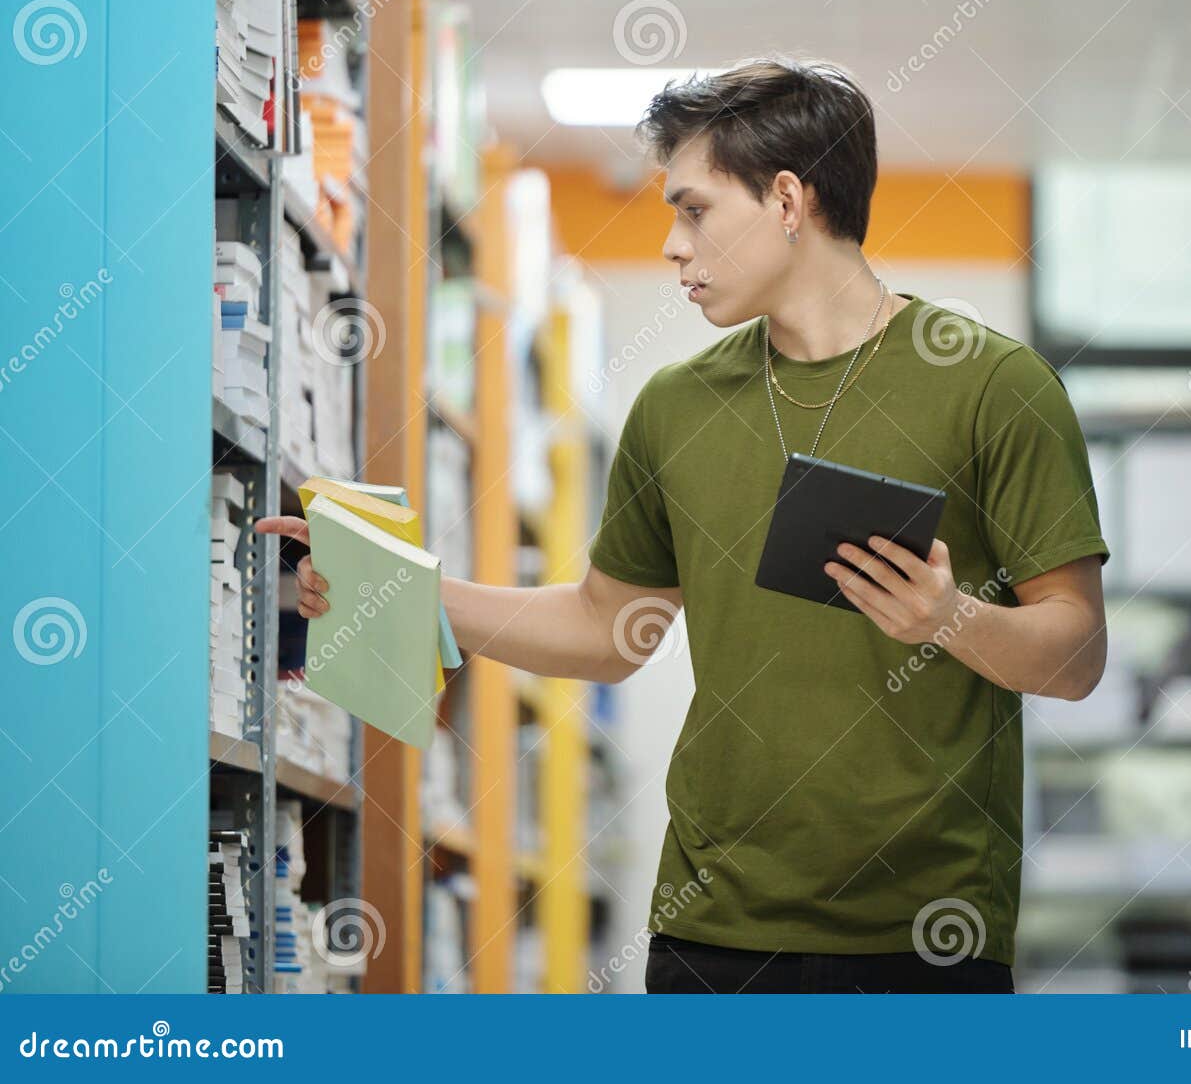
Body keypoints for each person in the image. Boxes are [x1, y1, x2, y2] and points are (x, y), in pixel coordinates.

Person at [257, 56, 1109, 994]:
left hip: (926, 935)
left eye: (694, 210)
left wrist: (950, 619)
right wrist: (410, 591)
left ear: (788, 200)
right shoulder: (678, 405)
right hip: (710, 930)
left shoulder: (995, 386)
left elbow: (1075, 655)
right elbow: (606, 628)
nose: (672, 244)